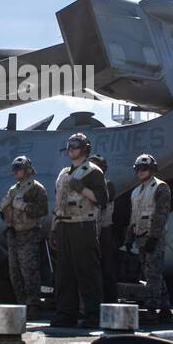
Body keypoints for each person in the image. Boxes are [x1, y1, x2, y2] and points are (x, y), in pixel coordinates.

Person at [50, 132, 107, 328]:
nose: (70, 148)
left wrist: (81, 188)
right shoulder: (63, 173)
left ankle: (93, 314)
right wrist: (54, 226)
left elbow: (102, 199)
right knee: (64, 274)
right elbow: (58, 202)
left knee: (87, 272)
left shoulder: (93, 171)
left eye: (75, 145)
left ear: (84, 148)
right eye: (69, 145)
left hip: (83, 225)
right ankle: (66, 314)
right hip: (64, 224)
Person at [126, 153, 173, 324]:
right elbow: (134, 217)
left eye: (144, 168)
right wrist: (129, 237)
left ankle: (152, 310)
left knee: (153, 275)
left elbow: (161, 215)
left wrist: (154, 237)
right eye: (138, 168)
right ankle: (166, 309)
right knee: (153, 274)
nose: (140, 171)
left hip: (154, 238)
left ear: (152, 169)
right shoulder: (136, 192)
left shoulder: (161, 187)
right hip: (140, 237)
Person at [0, 155, 48, 317]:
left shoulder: (36, 188)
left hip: (29, 233)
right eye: (14, 169)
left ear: (27, 169)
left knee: (30, 272)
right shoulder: (13, 189)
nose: (15, 171)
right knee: (15, 273)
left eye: (18, 168)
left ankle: (33, 306)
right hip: (13, 233)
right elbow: (5, 211)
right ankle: (21, 305)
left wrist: (24, 206)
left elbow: (43, 210)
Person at [90, 154, 118, 303]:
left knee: (106, 267)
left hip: (104, 230)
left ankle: (110, 300)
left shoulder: (108, 185)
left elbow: (101, 202)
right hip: (89, 229)